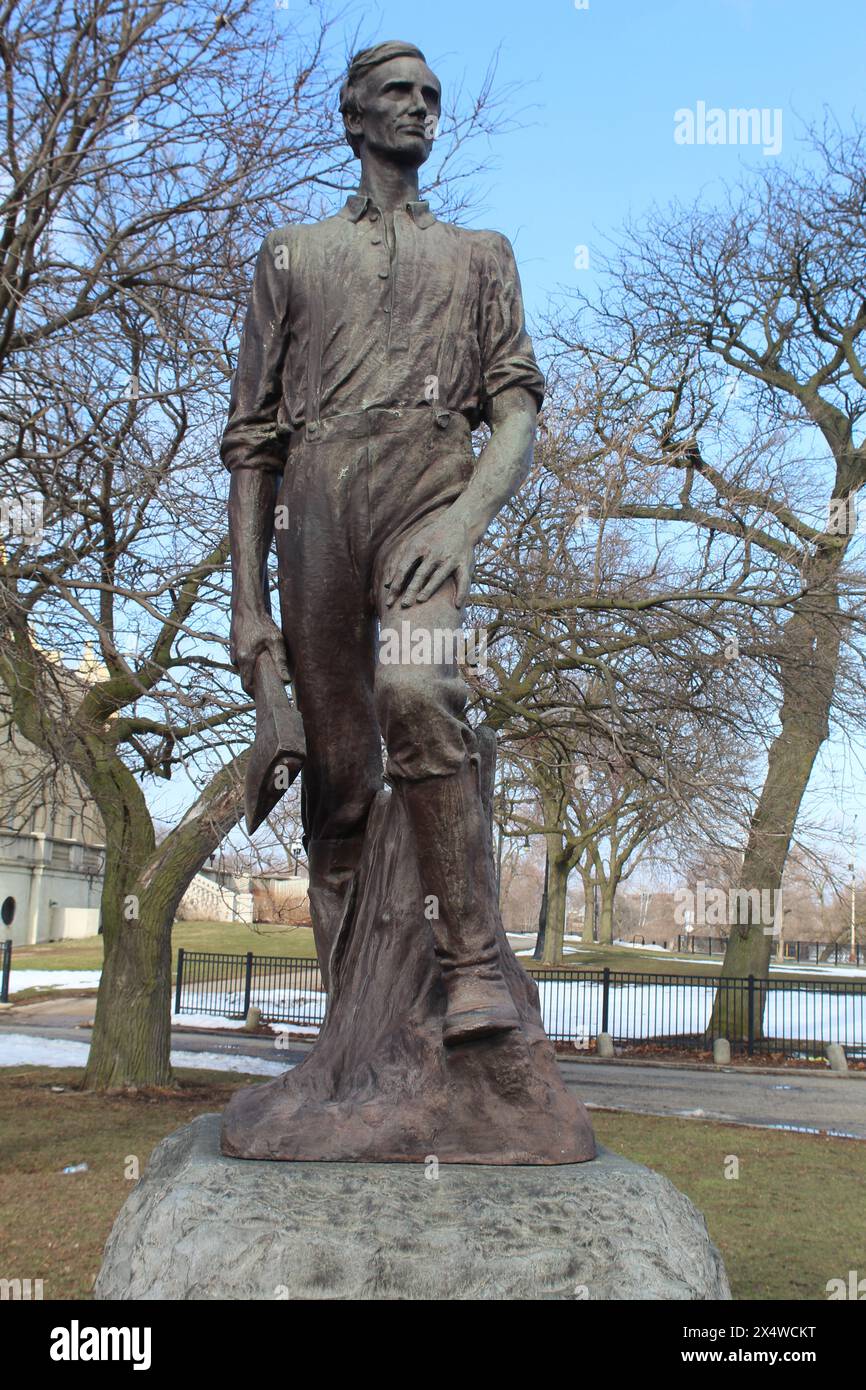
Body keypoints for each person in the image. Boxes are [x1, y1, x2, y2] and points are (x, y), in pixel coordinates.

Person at [222, 40, 544, 1045]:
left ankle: (471, 962)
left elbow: (517, 405)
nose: (419, 110)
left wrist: (460, 521)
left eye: (431, 97)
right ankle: (347, 1029)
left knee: (417, 690)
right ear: (354, 117)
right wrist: (247, 605)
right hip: (313, 512)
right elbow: (251, 437)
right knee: (338, 784)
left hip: (424, 501)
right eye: (398, 95)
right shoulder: (291, 253)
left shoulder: (480, 253)